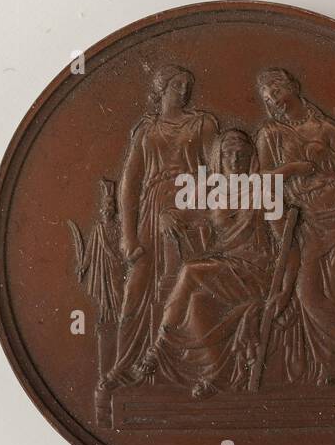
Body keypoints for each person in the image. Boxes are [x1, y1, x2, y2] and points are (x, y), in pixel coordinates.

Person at [253, 67, 335, 388]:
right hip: (305, 218)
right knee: (307, 292)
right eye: (269, 100)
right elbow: (263, 179)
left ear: (294, 86)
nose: (275, 103)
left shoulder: (326, 129)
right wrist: (294, 169)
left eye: (278, 93)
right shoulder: (270, 134)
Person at [98, 65, 219, 393]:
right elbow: (130, 183)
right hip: (151, 213)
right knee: (136, 292)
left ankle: (190, 371)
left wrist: (197, 211)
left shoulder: (203, 123)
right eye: (176, 84)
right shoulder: (146, 130)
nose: (184, 90)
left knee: (184, 291)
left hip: (187, 211)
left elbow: (216, 172)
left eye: (187, 84)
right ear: (161, 89)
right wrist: (128, 234)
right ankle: (124, 365)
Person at [133, 130, 275, 398]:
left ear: (251, 158)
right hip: (225, 272)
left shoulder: (264, 192)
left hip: (257, 274)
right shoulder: (214, 196)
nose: (235, 159)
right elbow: (180, 214)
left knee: (190, 271)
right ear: (218, 158)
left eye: (241, 154)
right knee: (197, 302)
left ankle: (158, 348)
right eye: (228, 154)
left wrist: (283, 288)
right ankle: (217, 375)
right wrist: (165, 215)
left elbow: (287, 244)